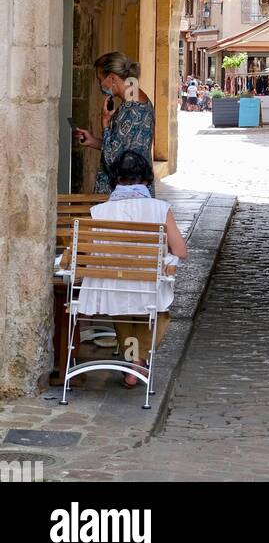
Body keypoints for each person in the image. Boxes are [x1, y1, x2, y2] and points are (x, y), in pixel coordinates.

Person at [79, 150, 187, 389]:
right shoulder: (160, 208)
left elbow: (90, 253)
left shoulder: (99, 211)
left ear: (116, 179)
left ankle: (132, 361)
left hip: (113, 286)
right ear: (147, 179)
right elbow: (180, 250)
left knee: (123, 311)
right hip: (148, 283)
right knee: (159, 312)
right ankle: (140, 359)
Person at [74, 52, 156, 197]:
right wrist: (93, 141)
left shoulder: (130, 109)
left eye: (100, 79)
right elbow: (124, 146)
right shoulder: (138, 100)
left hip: (124, 194)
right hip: (136, 190)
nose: (100, 85)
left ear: (112, 77)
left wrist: (105, 123)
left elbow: (112, 158)